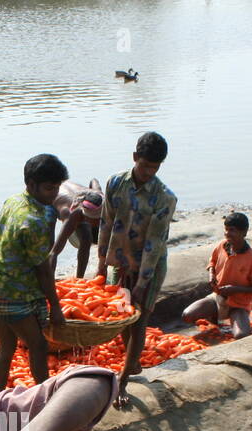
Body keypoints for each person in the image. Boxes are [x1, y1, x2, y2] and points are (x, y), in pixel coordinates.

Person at [96, 132, 177, 407]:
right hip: (120, 261)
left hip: (149, 267)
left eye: (154, 168)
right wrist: (100, 264)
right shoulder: (116, 183)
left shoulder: (164, 197)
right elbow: (106, 223)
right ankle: (134, 362)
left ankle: (124, 381)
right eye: (145, 166)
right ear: (135, 158)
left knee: (139, 319)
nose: (148, 173)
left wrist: (142, 284)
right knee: (122, 318)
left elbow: (154, 244)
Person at [0, 154, 69, 391]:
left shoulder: (15, 200)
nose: (54, 193)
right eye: (49, 188)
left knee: (6, 347)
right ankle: (47, 398)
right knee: (38, 345)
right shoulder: (33, 221)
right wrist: (56, 307)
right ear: (31, 184)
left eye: (57, 187)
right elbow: (44, 270)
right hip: (11, 294)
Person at [182, 212, 252, 341]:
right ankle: (215, 317)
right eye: (226, 230)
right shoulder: (223, 245)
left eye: (232, 230)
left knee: (241, 336)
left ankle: (239, 319)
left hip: (239, 304)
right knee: (187, 315)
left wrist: (235, 289)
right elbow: (212, 262)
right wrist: (211, 274)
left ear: (244, 232)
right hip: (217, 298)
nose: (227, 234)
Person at [50, 179, 104, 279]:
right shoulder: (71, 214)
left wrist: (90, 192)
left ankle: (79, 279)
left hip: (71, 190)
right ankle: (77, 279)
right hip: (52, 197)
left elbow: (94, 180)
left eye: (99, 220)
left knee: (86, 236)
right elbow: (54, 252)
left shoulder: (99, 195)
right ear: (86, 216)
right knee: (85, 237)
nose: (97, 223)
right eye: (95, 221)